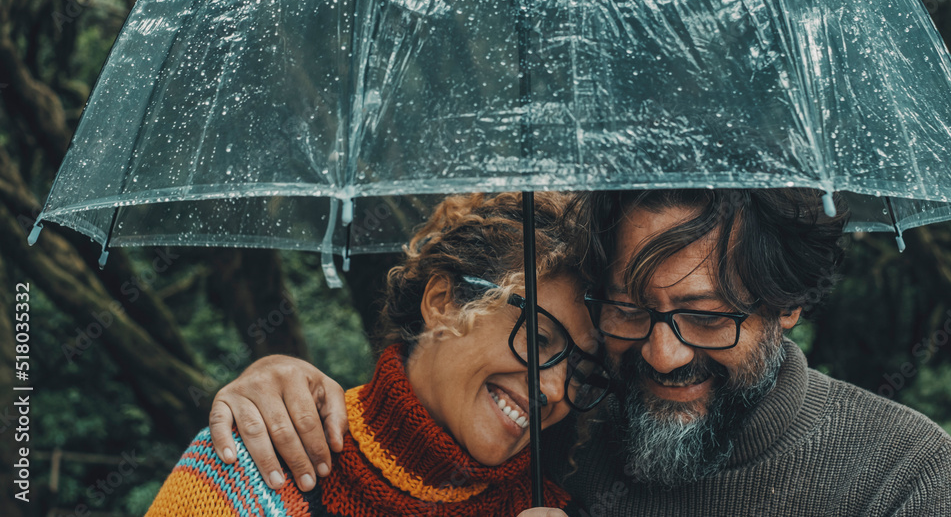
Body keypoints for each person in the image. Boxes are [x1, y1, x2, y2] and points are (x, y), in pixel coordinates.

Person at [211, 188, 951, 517]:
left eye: (707, 318)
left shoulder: (899, 472)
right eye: (632, 309)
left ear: (788, 305)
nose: (665, 355)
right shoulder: (558, 443)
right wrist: (271, 383)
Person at [144, 192, 611, 516]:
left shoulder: (557, 506)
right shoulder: (262, 462)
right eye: (539, 339)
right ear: (443, 303)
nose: (554, 390)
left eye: (580, 370)